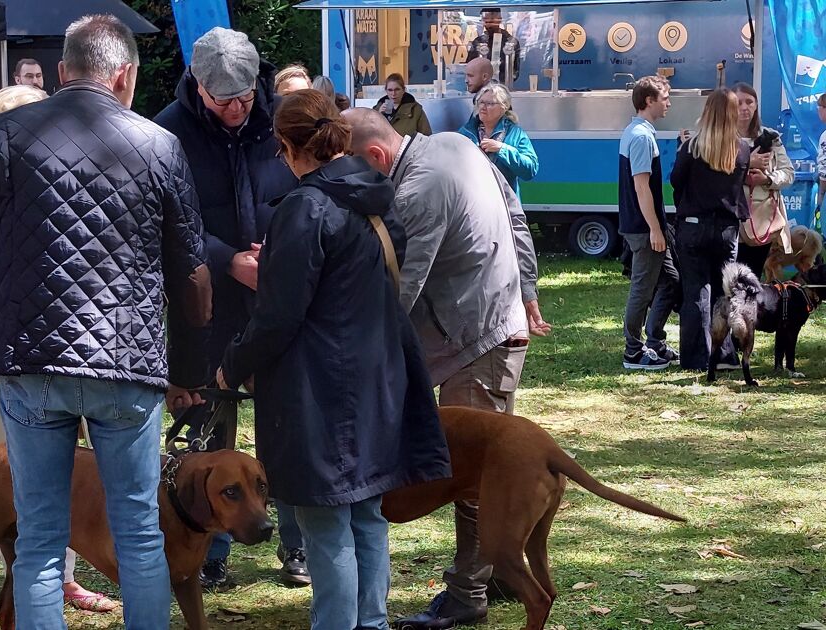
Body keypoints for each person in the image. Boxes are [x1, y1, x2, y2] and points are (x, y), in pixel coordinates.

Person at [0, 14, 212, 629]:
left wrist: (6, 321)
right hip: (129, 361)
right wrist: (189, 368)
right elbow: (194, 276)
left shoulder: (4, 135)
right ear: (123, 75)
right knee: (139, 536)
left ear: (63, 72)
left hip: (33, 360)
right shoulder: (159, 144)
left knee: (42, 539)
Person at [218, 88, 451, 630]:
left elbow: (279, 315)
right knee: (367, 516)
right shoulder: (374, 194)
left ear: (285, 145)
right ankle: (370, 622)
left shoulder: (306, 207)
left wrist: (232, 362)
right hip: (375, 379)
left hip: (319, 390)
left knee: (325, 523)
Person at [343, 107, 547, 629]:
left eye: (350, 173)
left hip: (476, 342)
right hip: (489, 326)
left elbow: (399, 291)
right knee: (482, 470)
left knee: (475, 475)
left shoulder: (418, 191)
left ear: (375, 157)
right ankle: (498, 569)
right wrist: (528, 289)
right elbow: (516, 215)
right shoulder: (455, 144)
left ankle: (468, 594)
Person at [0, 83, 119, 613]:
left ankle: (57, 581)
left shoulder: (63, 183)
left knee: (60, 472)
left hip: (58, 355)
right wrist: (23, 307)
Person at [153, 26, 309, 589]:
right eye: (224, 101)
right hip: (208, 303)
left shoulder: (279, 123)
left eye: (245, 97)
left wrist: (278, 251)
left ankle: (296, 544)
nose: (237, 109)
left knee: (285, 424)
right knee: (207, 428)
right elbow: (172, 222)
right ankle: (209, 550)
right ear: (198, 88)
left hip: (275, 298)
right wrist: (227, 259)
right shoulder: (167, 134)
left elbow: (302, 196)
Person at [672, 88, 751, 371]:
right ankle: (724, 355)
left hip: (693, 226)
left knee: (695, 292)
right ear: (732, 114)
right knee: (724, 293)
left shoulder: (691, 147)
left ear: (707, 111)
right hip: (727, 229)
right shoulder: (742, 149)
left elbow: (675, 180)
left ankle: (696, 358)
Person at [617, 76, 681, 371]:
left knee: (670, 281)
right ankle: (633, 351)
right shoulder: (641, 137)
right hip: (644, 229)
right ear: (649, 101)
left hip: (648, 226)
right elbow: (642, 187)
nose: (668, 103)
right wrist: (655, 228)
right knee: (642, 289)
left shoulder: (639, 132)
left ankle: (654, 342)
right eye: (664, 97)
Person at [733, 82, 794, 278]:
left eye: (749, 102)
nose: (744, 108)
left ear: (756, 105)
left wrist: (767, 179)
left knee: (752, 279)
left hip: (763, 220)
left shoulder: (771, 137)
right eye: (738, 102)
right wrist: (745, 170)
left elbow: (788, 172)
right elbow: (712, 176)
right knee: (729, 281)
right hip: (731, 220)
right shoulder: (721, 138)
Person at [459, 83, 536, 195]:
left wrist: (502, 149)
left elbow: (530, 170)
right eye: (481, 102)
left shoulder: (514, 133)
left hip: (504, 201)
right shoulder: (466, 132)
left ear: (503, 107)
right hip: (473, 200)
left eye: (490, 103)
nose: (483, 107)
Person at [467, 7, 519, 86]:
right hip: (482, 88)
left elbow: (515, 70)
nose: (488, 25)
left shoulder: (510, 42)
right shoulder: (478, 42)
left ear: (499, 20)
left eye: (491, 21)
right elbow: (470, 67)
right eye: (485, 21)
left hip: (505, 86)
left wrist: (504, 83)